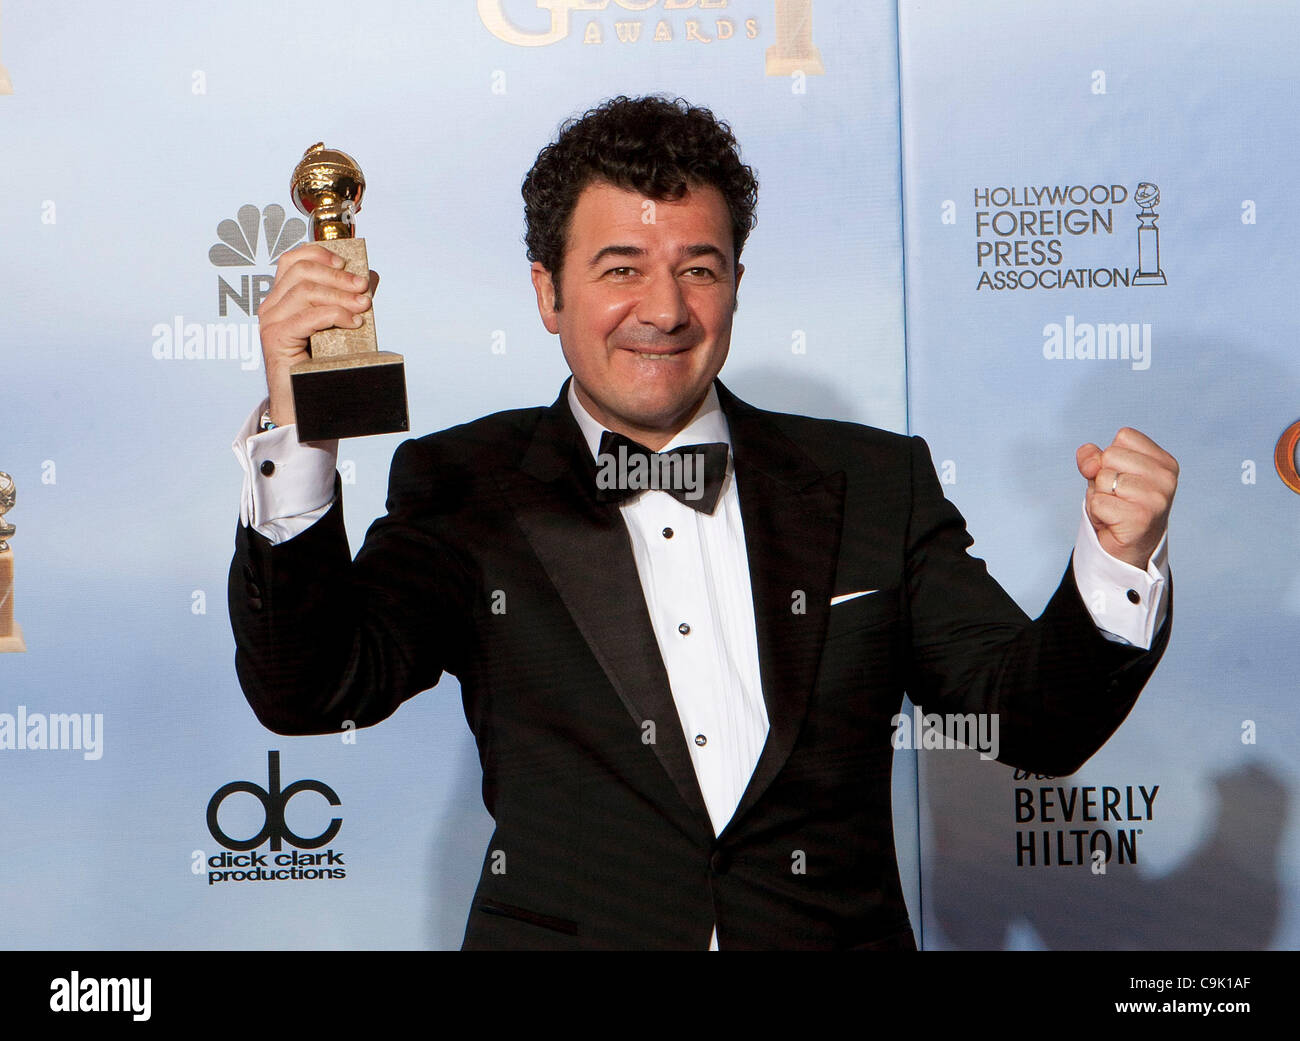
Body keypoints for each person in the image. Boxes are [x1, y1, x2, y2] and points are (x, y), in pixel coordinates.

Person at [229, 95, 1177, 950]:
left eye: (700, 268)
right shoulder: (465, 483)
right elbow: (312, 690)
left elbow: (1023, 719)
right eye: (620, 268)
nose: (666, 309)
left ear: (735, 284)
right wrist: (298, 430)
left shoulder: (873, 480)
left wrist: (1114, 563)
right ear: (547, 292)